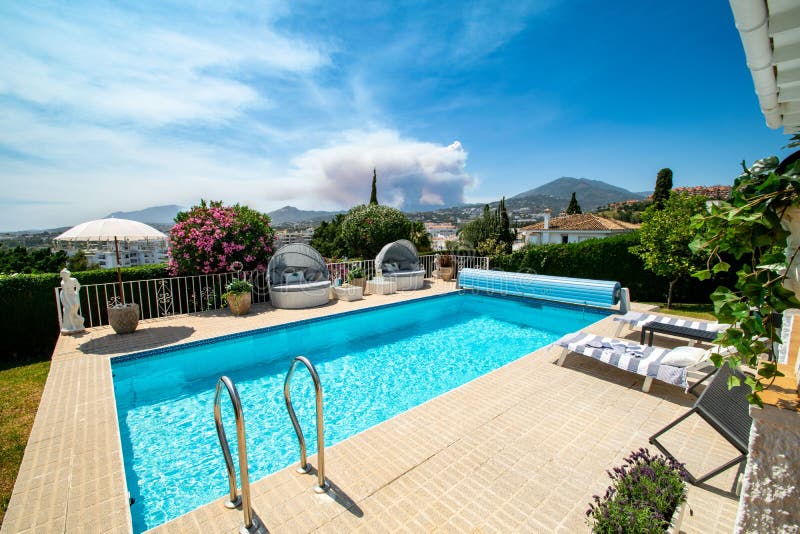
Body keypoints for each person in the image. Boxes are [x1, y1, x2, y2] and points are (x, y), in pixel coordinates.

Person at [60, 268, 85, 334]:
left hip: (73, 294)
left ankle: (77, 318)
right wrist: (69, 304)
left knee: (76, 306)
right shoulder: (63, 283)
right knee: (69, 309)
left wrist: (76, 292)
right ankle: (73, 326)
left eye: (65, 275)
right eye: (63, 276)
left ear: (68, 275)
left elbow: (78, 286)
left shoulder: (74, 279)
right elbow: (65, 294)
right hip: (65, 296)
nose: (64, 277)